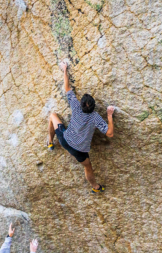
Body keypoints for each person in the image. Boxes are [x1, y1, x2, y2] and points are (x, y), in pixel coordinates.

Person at [47, 60, 115, 193]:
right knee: (88, 167)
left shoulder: (76, 107)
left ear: (82, 104)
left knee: (52, 116)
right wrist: (109, 115)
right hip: (79, 151)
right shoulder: (95, 117)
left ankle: (50, 141)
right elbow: (110, 133)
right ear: (94, 107)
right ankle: (96, 187)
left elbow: (67, 88)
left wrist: (65, 69)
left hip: (65, 140)